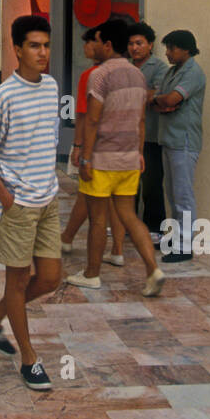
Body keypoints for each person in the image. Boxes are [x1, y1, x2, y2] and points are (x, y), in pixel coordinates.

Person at [0, 15, 61, 391]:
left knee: (51, 278)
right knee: (18, 279)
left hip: (49, 197)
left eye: (46, 45)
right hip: (17, 204)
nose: (42, 53)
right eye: (35, 46)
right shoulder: (2, 96)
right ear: (17, 49)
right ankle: (29, 358)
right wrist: (7, 198)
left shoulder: (52, 86)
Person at [67, 19, 165, 298]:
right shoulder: (138, 75)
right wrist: (138, 151)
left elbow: (93, 119)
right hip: (130, 158)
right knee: (130, 217)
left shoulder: (100, 75)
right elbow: (141, 119)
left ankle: (91, 274)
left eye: (95, 40)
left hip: (102, 159)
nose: (92, 45)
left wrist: (85, 157)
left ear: (108, 44)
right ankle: (152, 270)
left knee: (98, 220)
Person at [61, 27, 126, 264]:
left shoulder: (91, 75)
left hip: (96, 144)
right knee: (116, 200)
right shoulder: (128, 73)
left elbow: (84, 115)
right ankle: (117, 249)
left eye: (90, 43)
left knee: (88, 195)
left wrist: (78, 147)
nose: (87, 48)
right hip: (121, 144)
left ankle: (68, 239)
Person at [152, 29, 206, 264]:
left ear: (186, 49)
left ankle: (184, 246)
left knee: (183, 196)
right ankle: (176, 237)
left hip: (184, 141)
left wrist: (163, 100)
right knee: (172, 194)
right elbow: (159, 99)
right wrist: (161, 101)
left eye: (172, 48)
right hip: (169, 139)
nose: (168, 53)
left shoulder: (193, 72)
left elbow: (172, 99)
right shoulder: (172, 72)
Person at [128, 21, 168, 243]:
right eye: (131, 43)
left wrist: (135, 95)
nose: (134, 48)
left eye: (139, 43)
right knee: (128, 183)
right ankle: (127, 222)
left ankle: (155, 228)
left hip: (151, 135)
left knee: (152, 182)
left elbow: (158, 94)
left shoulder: (159, 67)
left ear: (150, 45)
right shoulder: (125, 65)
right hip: (127, 136)